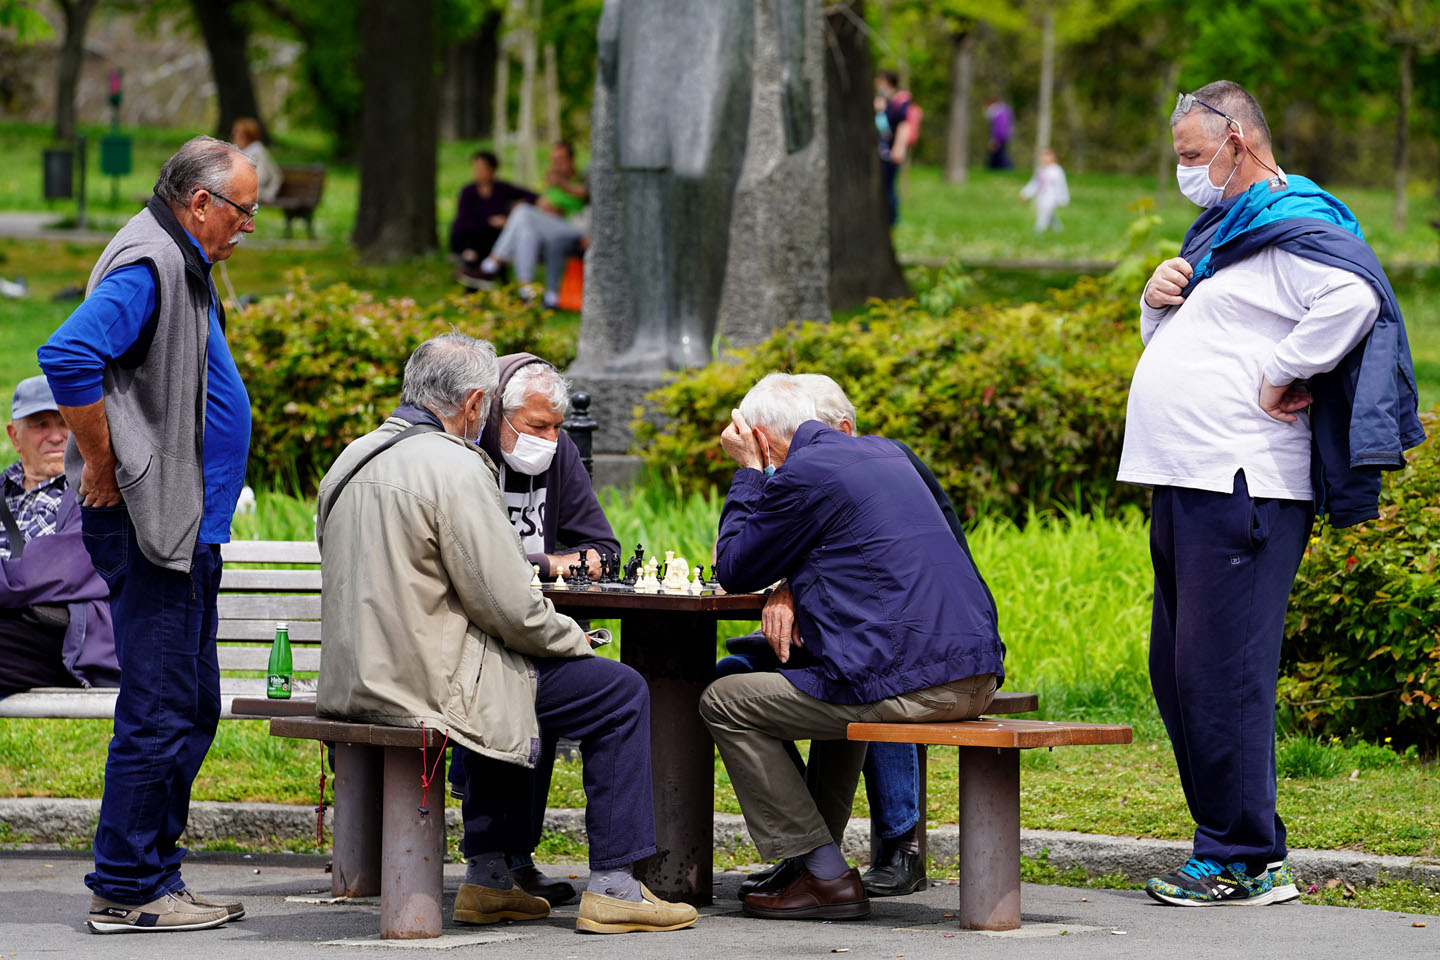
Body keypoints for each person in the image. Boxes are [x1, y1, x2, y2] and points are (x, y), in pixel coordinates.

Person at [1120, 80, 1424, 907]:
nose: (1185, 171)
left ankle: (1245, 859)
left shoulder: (1295, 224)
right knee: (1179, 674)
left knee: (1222, 676)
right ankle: (1226, 846)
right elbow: (1187, 343)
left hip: (1243, 483)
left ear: (1238, 142)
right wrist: (1155, 301)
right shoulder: (1229, 232)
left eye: (1192, 155)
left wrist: (1282, 371)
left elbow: (1356, 296)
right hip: (1186, 477)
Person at [314, 333, 697, 936]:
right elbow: (509, 604)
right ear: (474, 404)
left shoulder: (352, 458)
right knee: (617, 691)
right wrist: (577, 641)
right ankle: (615, 888)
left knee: (510, 672)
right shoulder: (456, 465)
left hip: (352, 677)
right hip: (426, 684)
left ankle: (490, 878)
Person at [38, 136, 257, 933]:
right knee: (160, 708)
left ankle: (156, 874)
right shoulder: (151, 264)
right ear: (200, 203)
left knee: (190, 706)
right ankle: (128, 888)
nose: (249, 226)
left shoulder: (182, 262)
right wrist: (102, 464)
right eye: (243, 211)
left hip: (184, 527)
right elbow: (68, 353)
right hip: (149, 524)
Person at [700, 373, 1005, 921]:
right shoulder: (888, 453)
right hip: (978, 673)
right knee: (831, 677)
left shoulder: (803, 472)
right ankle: (814, 866)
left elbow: (736, 568)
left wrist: (748, 473)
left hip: (917, 684)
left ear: (760, 438)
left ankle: (824, 874)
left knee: (725, 699)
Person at [448, 352, 621, 905]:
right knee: (510, 681)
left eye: (556, 427)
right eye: (538, 426)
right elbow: (466, 559)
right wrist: (548, 564)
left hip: (531, 625)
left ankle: (513, 860)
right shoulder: (464, 453)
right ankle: (490, 862)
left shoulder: (559, 452)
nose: (549, 439)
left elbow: (605, 551)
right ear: (498, 413)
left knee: (551, 677)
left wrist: (536, 565)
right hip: (467, 632)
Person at [0, 376, 118, 697]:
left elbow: (50, 573)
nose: (56, 436)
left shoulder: (97, 493)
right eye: (41, 424)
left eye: (65, 422)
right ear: (15, 436)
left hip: (60, 638)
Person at [476, 141, 589, 307]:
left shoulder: (580, 179)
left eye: (561, 160)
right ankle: (526, 291)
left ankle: (494, 261)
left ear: (572, 160)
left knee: (522, 211)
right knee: (526, 231)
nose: (556, 165)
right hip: (553, 228)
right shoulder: (553, 183)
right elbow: (546, 205)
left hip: (576, 229)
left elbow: (583, 195)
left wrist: (562, 186)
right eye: (553, 160)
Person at [450, 150, 538, 284]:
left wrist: (512, 213)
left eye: (482, 169)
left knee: (498, 240)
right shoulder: (468, 192)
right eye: (476, 168)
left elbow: (532, 196)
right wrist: (489, 222)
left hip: (494, 238)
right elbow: (463, 222)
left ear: (493, 170)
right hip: (473, 237)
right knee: (475, 248)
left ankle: (485, 274)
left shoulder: (502, 189)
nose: (478, 172)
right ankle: (482, 275)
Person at [875, 71, 917, 226]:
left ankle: (892, 219)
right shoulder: (883, 101)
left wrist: (899, 147)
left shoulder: (900, 102)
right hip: (881, 150)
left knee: (888, 186)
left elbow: (903, 125)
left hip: (891, 151)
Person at [230, 118, 282, 205]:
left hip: (261, 192)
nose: (234, 135)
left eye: (237, 132)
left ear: (247, 136)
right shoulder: (237, 152)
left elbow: (262, 177)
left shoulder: (258, 151)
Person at [1018, 147, 1069, 233]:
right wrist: (1025, 193)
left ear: (1053, 157)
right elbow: (1034, 184)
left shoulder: (1056, 171)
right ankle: (1058, 229)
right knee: (1049, 215)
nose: (1044, 158)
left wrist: (1063, 199)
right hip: (1041, 196)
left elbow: (1061, 186)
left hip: (1051, 197)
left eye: (1047, 156)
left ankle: (1038, 231)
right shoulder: (1040, 170)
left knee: (1044, 214)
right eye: (1042, 156)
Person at [984, 97, 1013, 170]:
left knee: (1000, 156)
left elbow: (1000, 128)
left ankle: (1007, 168)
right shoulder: (1003, 110)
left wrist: (996, 139)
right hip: (1003, 137)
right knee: (999, 155)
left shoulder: (998, 113)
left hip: (1000, 138)